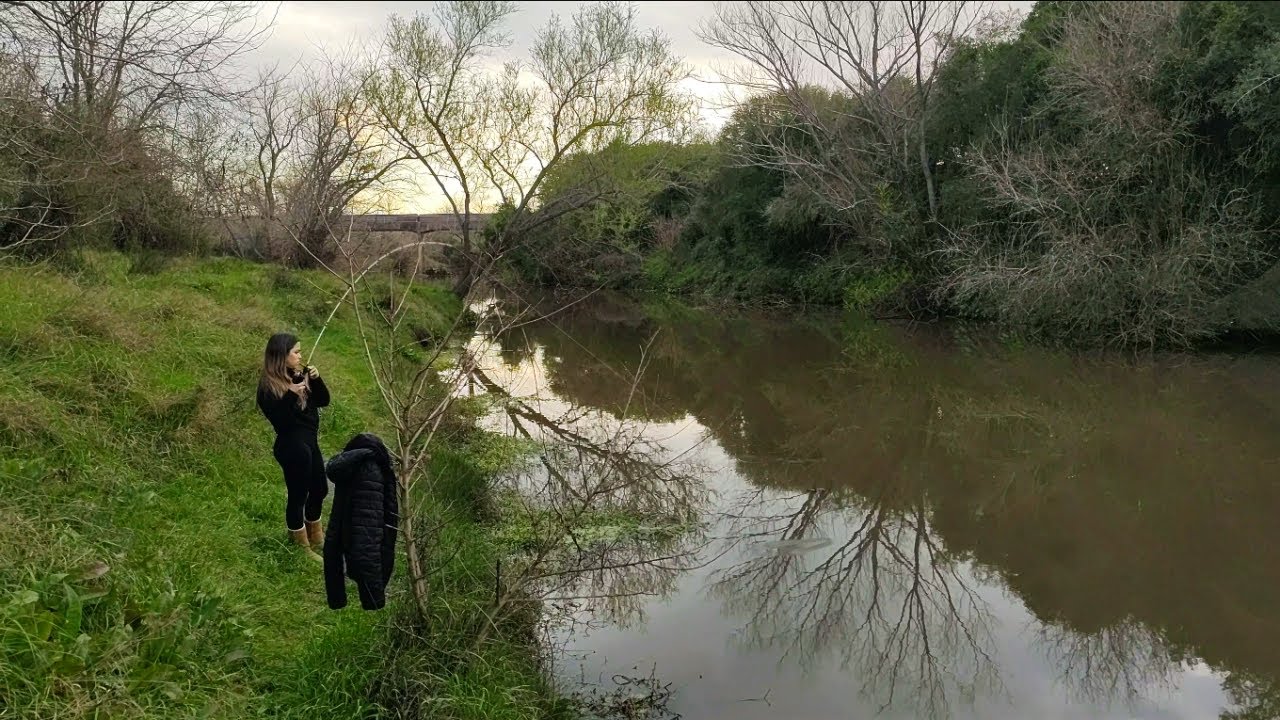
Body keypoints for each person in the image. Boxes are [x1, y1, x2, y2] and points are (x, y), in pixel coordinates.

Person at [257, 332, 331, 555]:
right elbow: (281, 421)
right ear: (282, 355)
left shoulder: (298, 375)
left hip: (310, 443)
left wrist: (316, 380)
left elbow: (324, 401)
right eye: (296, 352)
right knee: (298, 495)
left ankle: (316, 535)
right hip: (291, 446)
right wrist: (290, 395)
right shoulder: (268, 387)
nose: (300, 356)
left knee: (320, 489)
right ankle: (300, 546)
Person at [323, 433, 399, 611]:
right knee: (365, 552)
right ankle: (371, 603)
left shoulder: (350, 464)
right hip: (361, 534)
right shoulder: (371, 469)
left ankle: (338, 600)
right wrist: (375, 601)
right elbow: (368, 542)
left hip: (344, 529)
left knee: (334, 552)